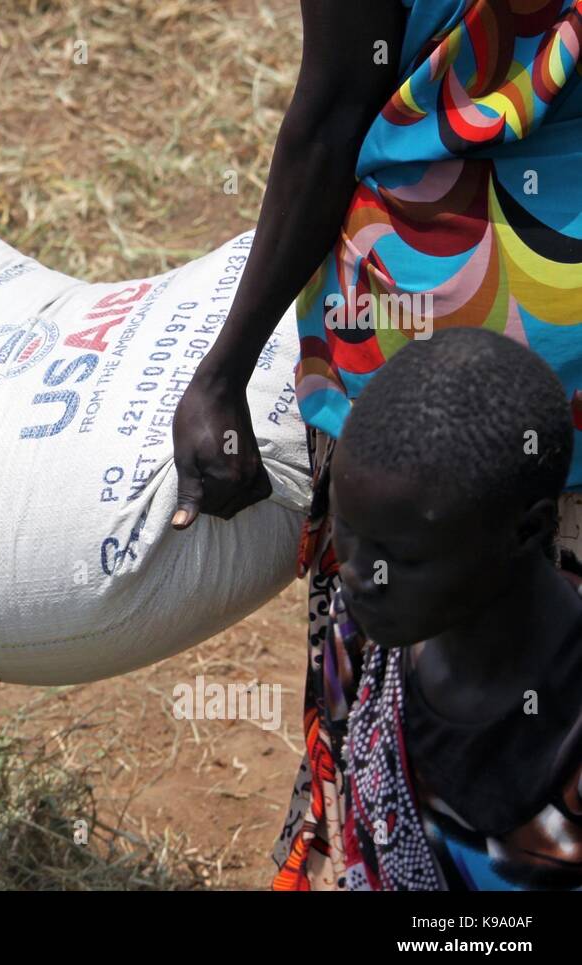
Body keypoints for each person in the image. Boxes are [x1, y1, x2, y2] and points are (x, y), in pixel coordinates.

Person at [167, 0, 582, 889]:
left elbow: (327, 121)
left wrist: (221, 370)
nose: (353, 575)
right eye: (349, 545)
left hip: (411, 332)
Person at [330, 328, 581, 890]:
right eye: (346, 529)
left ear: (529, 529)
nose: (357, 575)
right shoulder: (363, 647)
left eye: (404, 558)